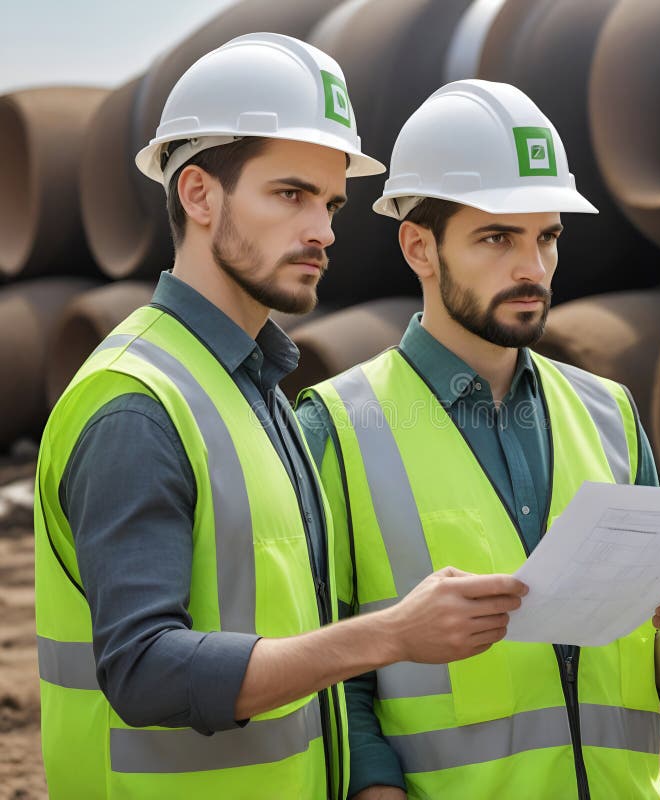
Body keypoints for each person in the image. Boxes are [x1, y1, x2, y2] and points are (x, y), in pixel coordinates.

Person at [33, 41, 528, 799]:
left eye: (329, 204)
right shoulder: (136, 404)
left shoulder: (253, 388)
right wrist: (390, 635)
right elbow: (143, 670)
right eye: (290, 195)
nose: (325, 231)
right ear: (198, 195)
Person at [296, 79, 660, 800]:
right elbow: (319, 670)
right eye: (497, 238)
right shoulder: (338, 426)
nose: (532, 268)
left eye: (546, 237)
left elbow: (656, 669)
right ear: (420, 248)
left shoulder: (609, 413)